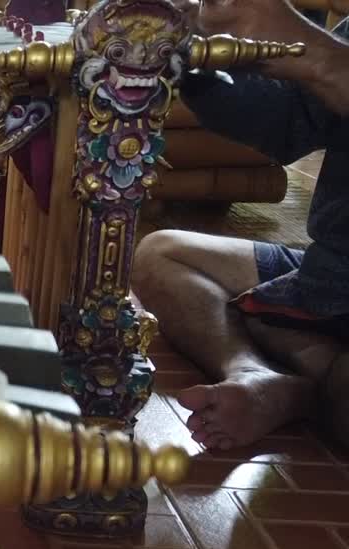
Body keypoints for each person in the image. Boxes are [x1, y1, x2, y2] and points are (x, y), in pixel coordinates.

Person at [131, 0, 349, 450]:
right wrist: (190, 54)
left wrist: (313, 50)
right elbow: (286, 124)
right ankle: (255, 371)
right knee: (160, 255)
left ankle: (308, 384)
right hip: (332, 273)